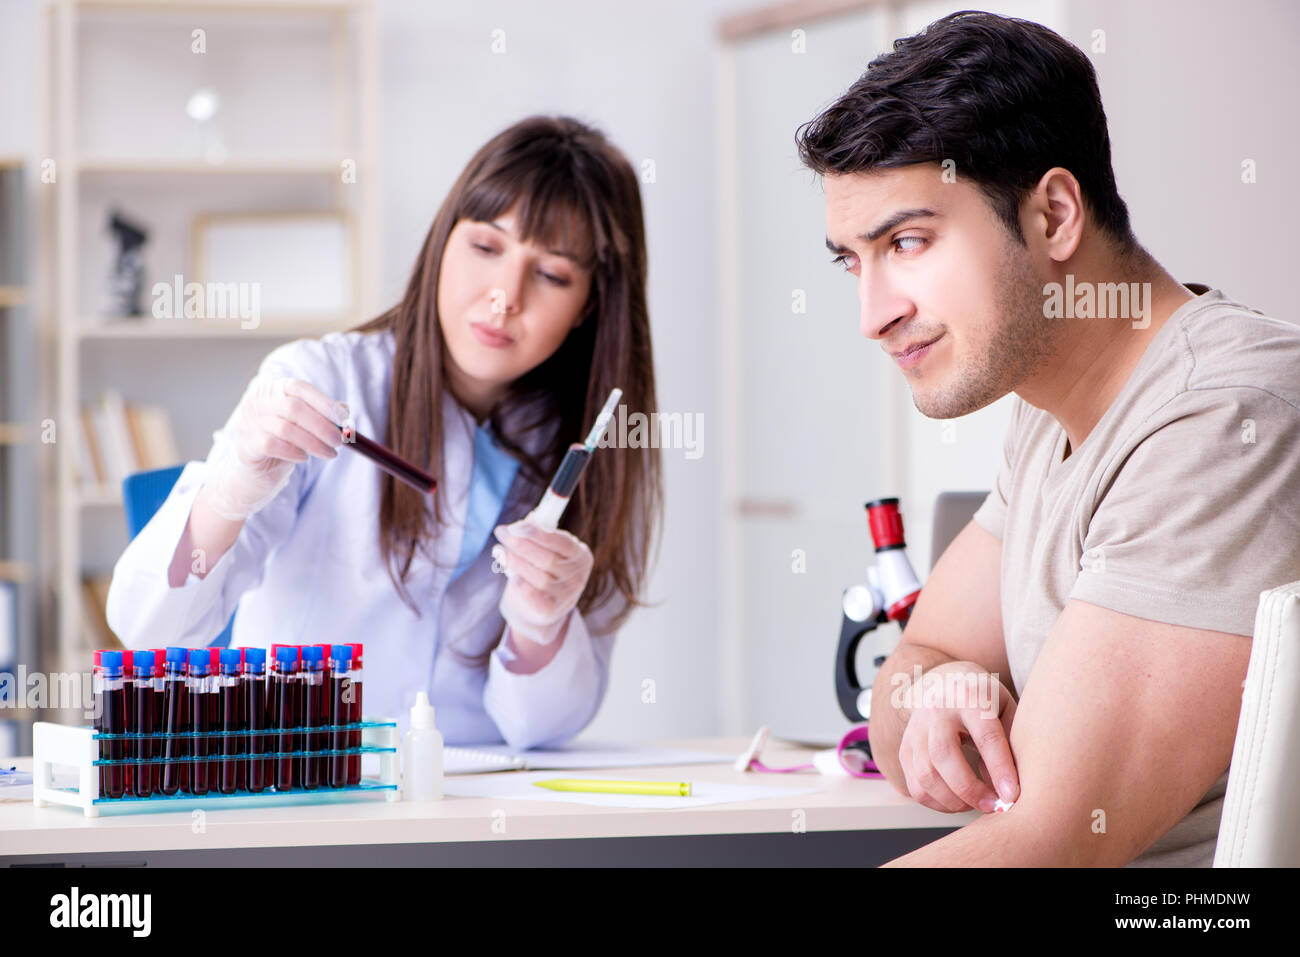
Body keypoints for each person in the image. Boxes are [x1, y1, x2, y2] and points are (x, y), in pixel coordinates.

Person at [795, 12, 1300, 866]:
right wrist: (942, 693)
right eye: (853, 260)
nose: (872, 315)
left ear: (1055, 215)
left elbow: (1051, 840)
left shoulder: (1226, 414)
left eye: (907, 242)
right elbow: (917, 658)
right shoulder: (1048, 407)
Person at [107, 115, 663, 749]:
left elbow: (543, 729)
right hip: (303, 790)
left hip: (474, 807)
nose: (505, 296)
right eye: (485, 247)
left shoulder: (593, 452)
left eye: (553, 274)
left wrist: (542, 627)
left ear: (590, 303)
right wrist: (230, 490)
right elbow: (150, 629)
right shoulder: (323, 379)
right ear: (443, 241)